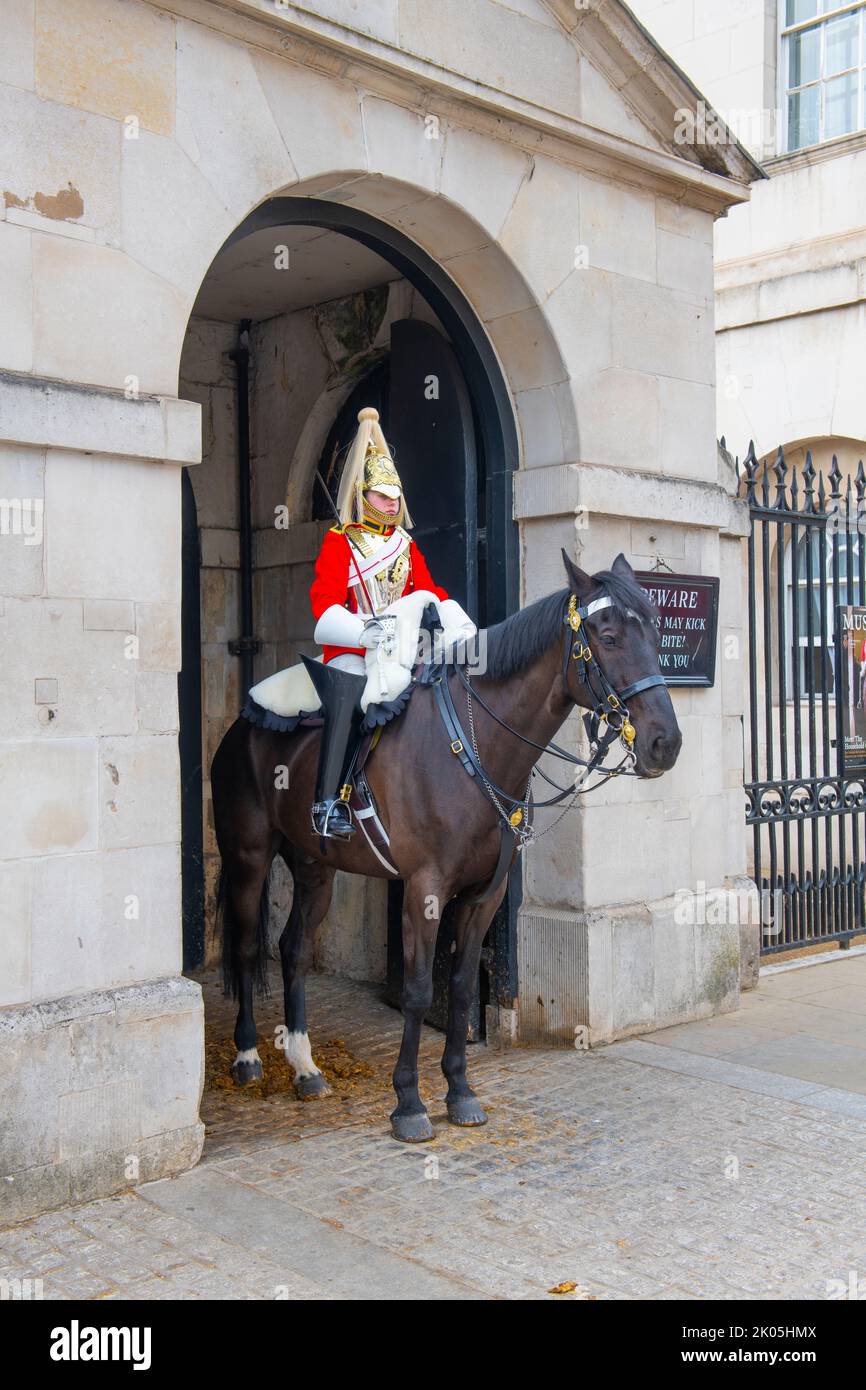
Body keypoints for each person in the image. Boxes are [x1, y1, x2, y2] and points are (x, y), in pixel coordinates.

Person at [306, 406, 474, 839]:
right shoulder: (340, 543)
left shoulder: (405, 545)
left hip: (402, 646)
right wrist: (365, 631)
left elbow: (431, 592)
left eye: (396, 495)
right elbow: (324, 610)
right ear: (363, 496)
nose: (392, 503)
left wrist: (458, 623)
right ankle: (328, 802)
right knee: (347, 695)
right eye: (382, 495)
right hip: (354, 648)